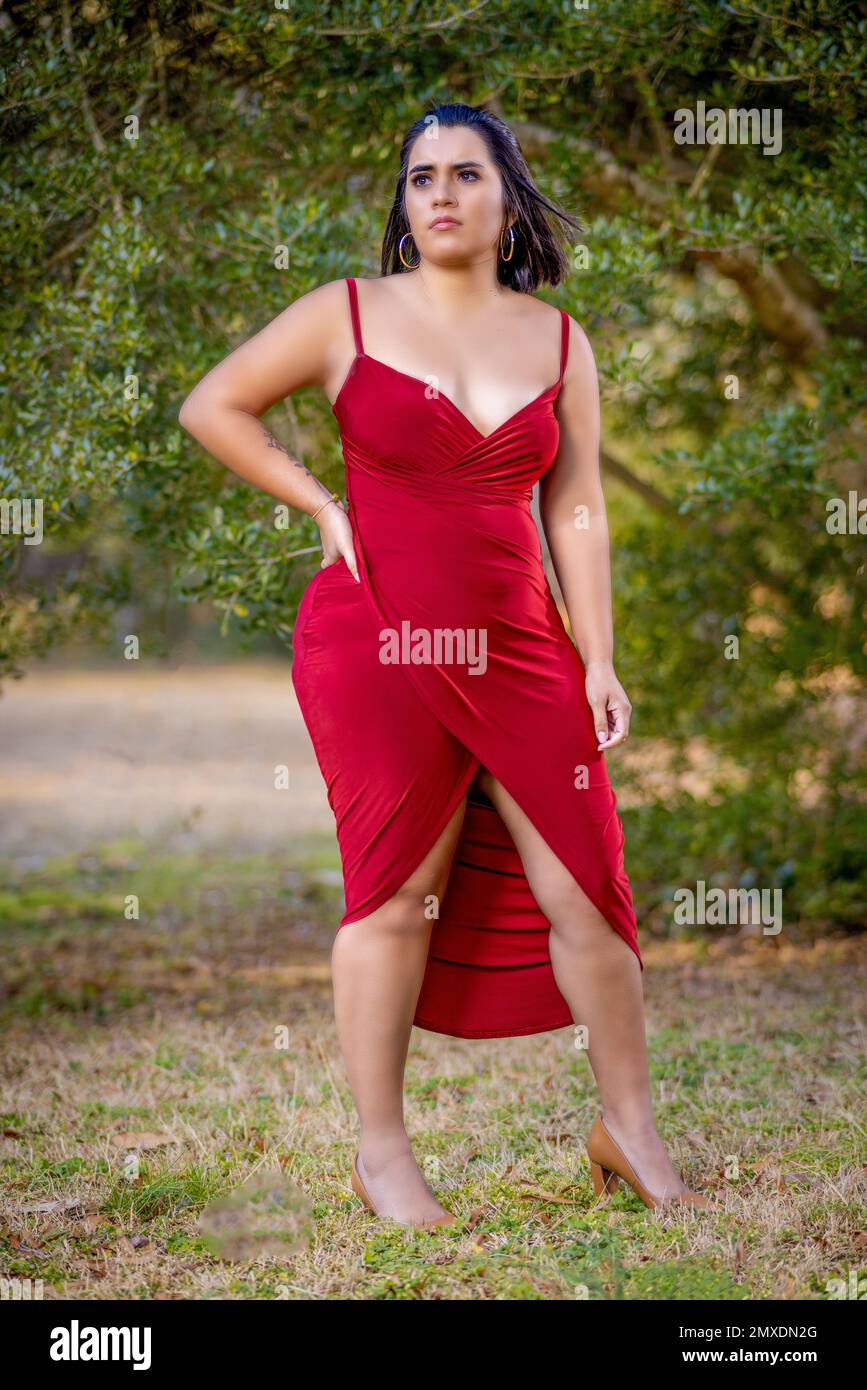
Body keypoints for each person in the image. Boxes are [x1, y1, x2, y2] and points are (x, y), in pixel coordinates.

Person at [179, 102, 712, 1227]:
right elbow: (212, 404)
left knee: (593, 895)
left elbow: (576, 505)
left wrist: (599, 654)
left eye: (467, 174)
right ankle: (382, 1156)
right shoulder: (345, 314)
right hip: (374, 637)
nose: (441, 194)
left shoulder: (561, 340)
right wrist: (321, 502)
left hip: (524, 644)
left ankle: (629, 1127)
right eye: (421, 176)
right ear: (405, 202)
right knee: (397, 892)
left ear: (507, 197)